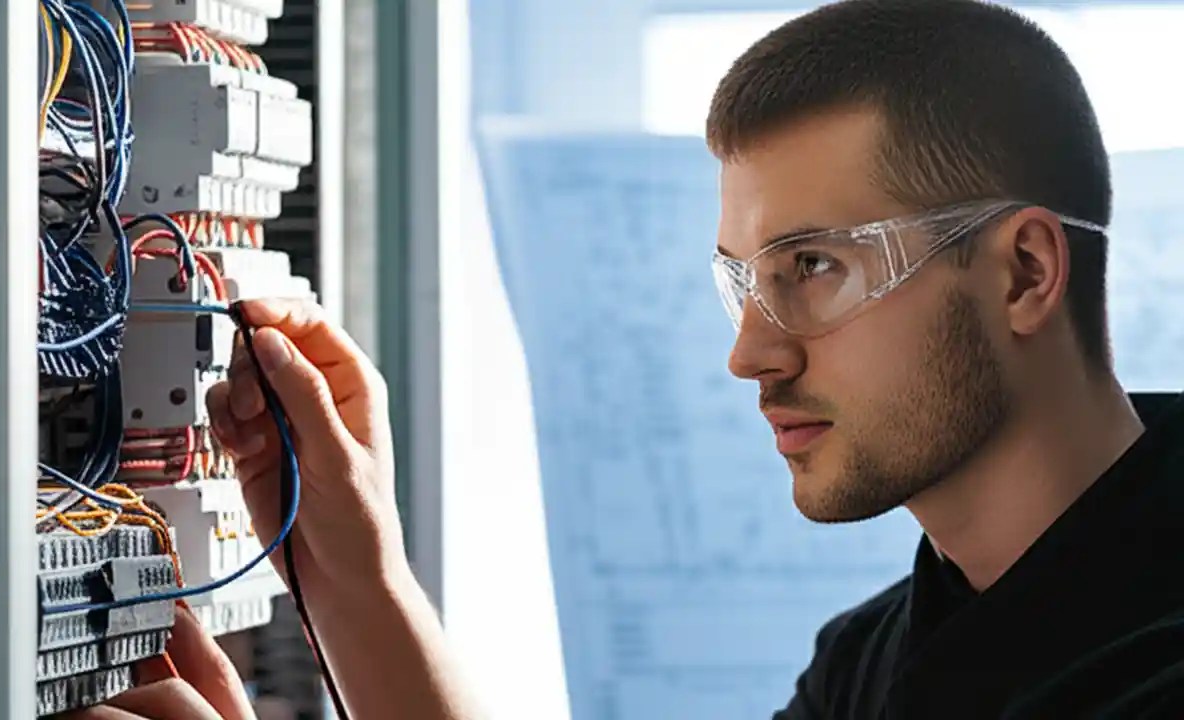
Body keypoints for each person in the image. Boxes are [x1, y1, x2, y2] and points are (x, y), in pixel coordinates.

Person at [70, 0, 1184, 717]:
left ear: (1023, 274)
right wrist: (355, 571)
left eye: (813, 268)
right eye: (741, 281)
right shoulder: (879, 663)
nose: (749, 352)